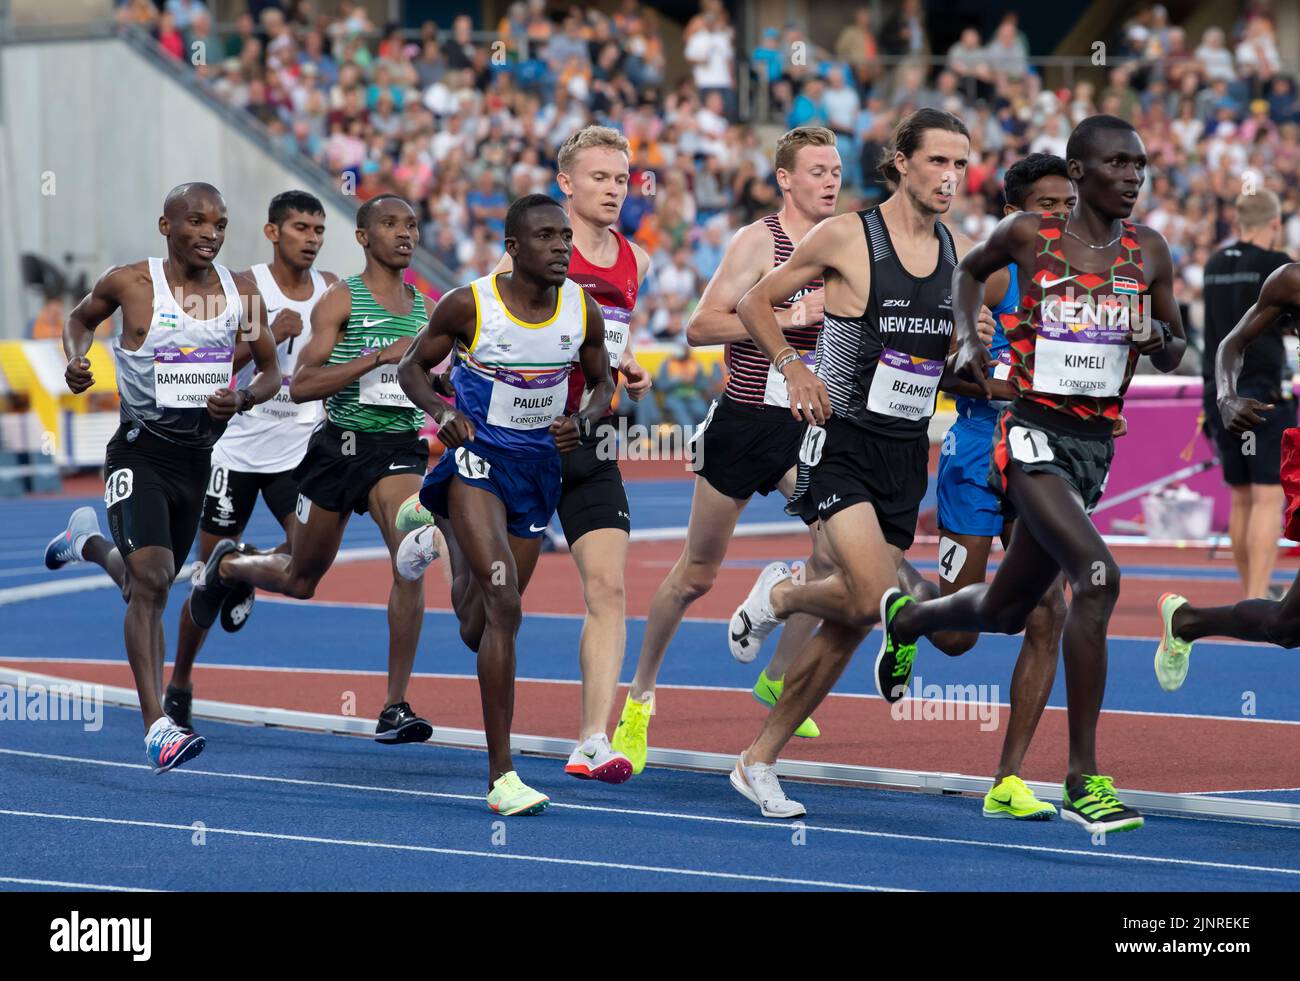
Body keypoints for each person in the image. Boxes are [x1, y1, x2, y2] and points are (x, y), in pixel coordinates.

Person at [881, 115, 1187, 834]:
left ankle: (911, 615)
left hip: (1092, 450)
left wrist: (1158, 336)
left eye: (1141, 165)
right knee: (1098, 578)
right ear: (1080, 174)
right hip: (1027, 437)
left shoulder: (1152, 253)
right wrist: (964, 339)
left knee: (1002, 613)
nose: (1134, 177)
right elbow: (965, 272)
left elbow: (1177, 352)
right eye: (1118, 163)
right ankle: (1083, 776)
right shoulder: (1029, 237)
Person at [722, 110, 989, 818]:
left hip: (905, 454)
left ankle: (759, 754)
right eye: (937, 161)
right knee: (877, 594)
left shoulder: (958, 252)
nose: (950, 177)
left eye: (960, 164)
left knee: (852, 619)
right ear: (900, 162)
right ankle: (780, 601)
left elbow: (948, 367)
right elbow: (753, 301)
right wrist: (792, 365)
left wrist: (973, 349)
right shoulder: (847, 235)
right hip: (838, 442)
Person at [395, 126, 654, 783]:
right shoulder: (511, 272)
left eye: (622, 179)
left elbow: (607, 356)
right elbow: (471, 347)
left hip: (579, 442)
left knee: (609, 585)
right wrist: (448, 413)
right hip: (500, 450)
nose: (613, 190)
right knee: (486, 619)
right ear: (565, 185)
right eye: (599, 177)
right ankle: (444, 526)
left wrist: (622, 379)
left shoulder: (636, 262)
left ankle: (591, 738)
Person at [615, 126, 843, 776]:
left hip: (805, 428)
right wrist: (790, 319)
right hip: (743, 424)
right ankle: (639, 698)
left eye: (834, 169)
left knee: (835, 556)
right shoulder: (759, 241)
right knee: (697, 573)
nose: (829, 180)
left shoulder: (844, 245)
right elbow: (699, 325)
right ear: (785, 180)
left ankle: (778, 673)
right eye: (817, 170)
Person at [183, 194, 436, 745]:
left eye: (412, 226)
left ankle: (394, 706)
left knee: (413, 550)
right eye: (391, 225)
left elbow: (432, 379)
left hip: (397, 449)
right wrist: (376, 356)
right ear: (365, 237)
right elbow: (301, 385)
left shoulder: (426, 308)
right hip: (332, 450)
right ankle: (232, 568)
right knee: (300, 580)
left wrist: (443, 400)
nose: (405, 234)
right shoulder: (339, 299)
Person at [43, 182, 280, 772]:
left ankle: (88, 542)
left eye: (220, 224)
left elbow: (273, 370)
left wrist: (244, 399)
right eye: (197, 221)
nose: (210, 234)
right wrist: (76, 359)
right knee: (151, 580)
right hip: (137, 451)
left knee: (149, 581)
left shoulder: (241, 293)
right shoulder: (132, 282)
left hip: (196, 460)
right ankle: (157, 728)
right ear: (165, 226)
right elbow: (81, 319)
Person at [932, 153, 1075, 820]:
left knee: (1050, 610)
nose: (1059, 215)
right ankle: (903, 606)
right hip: (977, 454)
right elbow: (931, 373)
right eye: (1045, 204)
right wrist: (985, 380)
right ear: (1014, 211)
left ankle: (1008, 778)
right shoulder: (991, 277)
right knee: (959, 634)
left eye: (1067, 203)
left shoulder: (1088, 275)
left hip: (1042, 460)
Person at [163, 191, 338, 731]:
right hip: (234, 450)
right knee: (203, 584)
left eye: (318, 230)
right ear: (271, 233)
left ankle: (243, 565)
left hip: (299, 449)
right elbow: (200, 368)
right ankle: (181, 682)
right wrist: (263, 340)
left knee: (306, 567)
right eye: (300, 229)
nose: (310, 239)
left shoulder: (333, 290)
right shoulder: (240, 288)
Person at [1154, 260, 1300, 688]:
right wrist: (1226, 395)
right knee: (1287, 628)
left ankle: (1187, 621)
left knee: (1288, 627)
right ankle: (1186, 621)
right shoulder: (1291, 281)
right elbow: (1232, 344)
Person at [1198, 188, 1293, 599]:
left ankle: (1250, 591)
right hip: (1261, 390)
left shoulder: (1215, 263)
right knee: (1267, 498)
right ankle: (1256, 599)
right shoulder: (1277, 265)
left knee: (1240, 497)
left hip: (1219, 390)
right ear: (1274, 223)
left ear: (1238, 221)